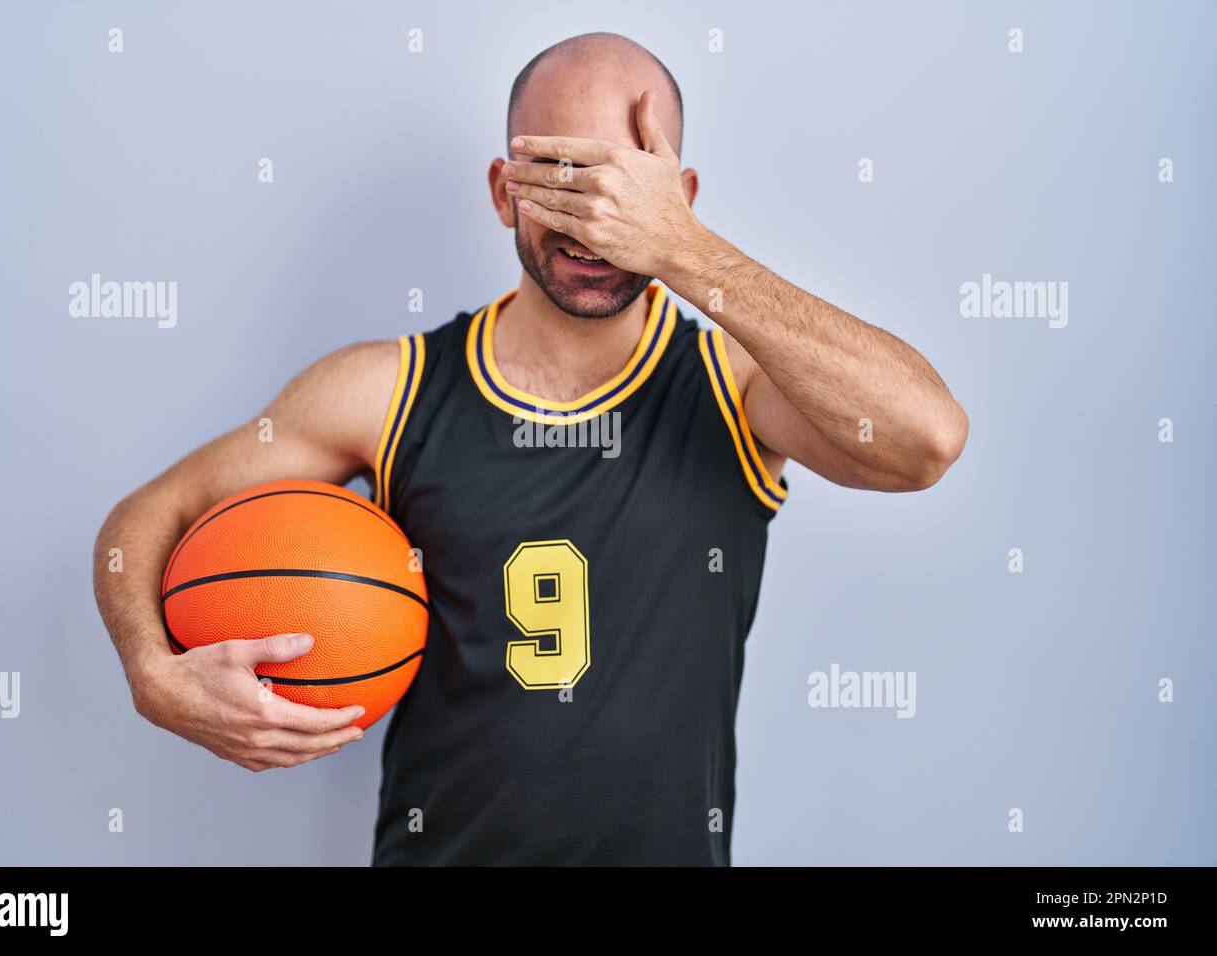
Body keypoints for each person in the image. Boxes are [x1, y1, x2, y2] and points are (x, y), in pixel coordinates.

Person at [93, 32, 968, 865]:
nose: (592, 222)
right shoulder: (390, 389)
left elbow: (926, 439)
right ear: (504, 189)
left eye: (623, 187)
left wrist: (688, 252)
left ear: (681, 196)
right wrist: (149, 668)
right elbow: (149, 516)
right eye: (559, 179)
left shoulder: (734, 384)